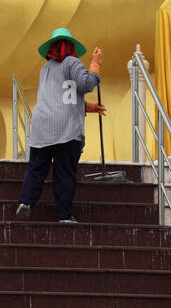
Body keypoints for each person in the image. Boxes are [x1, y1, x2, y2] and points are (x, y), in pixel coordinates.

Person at [15, 28, 105, 224]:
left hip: (42, 126)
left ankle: (26, 202)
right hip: (66, 128)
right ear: (71, 47)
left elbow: (62, 97)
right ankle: (64, 215)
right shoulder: (72, 62)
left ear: (52, 48)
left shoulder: (45, 69)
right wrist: (95, 64)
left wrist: (89, 108)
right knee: (64, 171)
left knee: (36, 168)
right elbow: (86, 84)